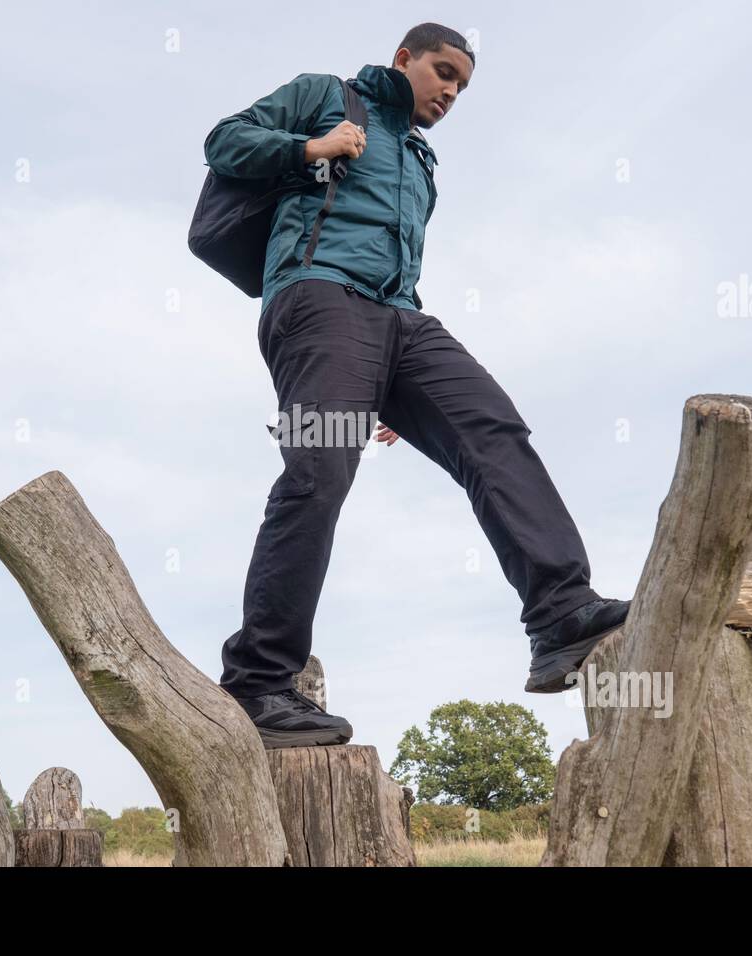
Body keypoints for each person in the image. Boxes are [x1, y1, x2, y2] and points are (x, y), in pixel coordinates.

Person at [204, 22, 630, 749]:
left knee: (492, 430)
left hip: (400, 323)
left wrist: (394, 385)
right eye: (443, 72)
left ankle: (560, 614)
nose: (451, 91)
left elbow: (399, 264)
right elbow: (225, 141)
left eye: (462, 85)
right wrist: (311, 147)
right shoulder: (325, 97)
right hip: (317, 304)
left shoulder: (418, 157)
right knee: (319, 473)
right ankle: (258, 684)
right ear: (405, 59)